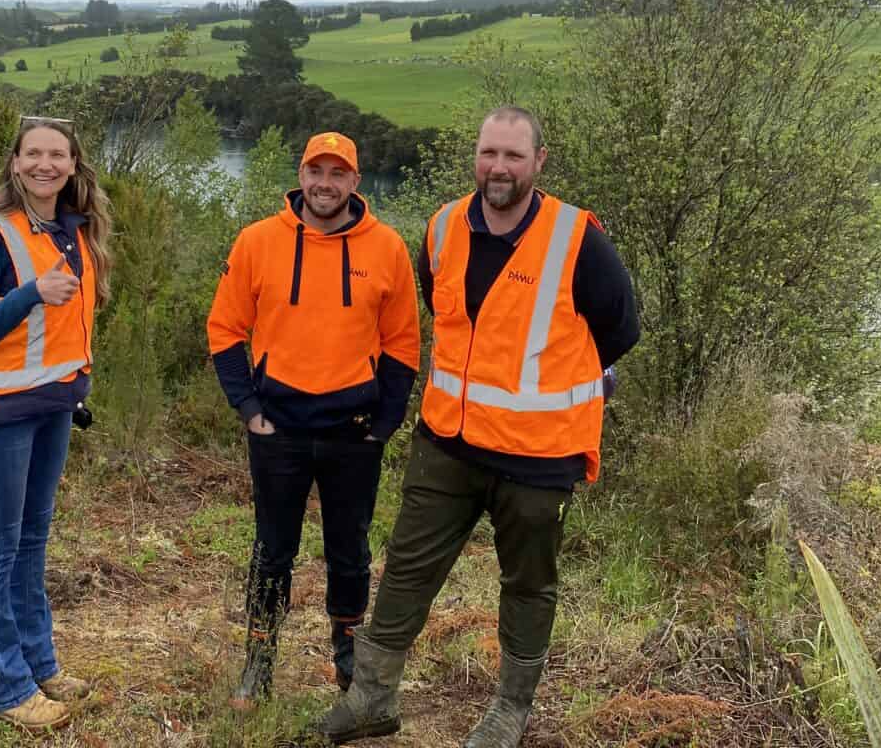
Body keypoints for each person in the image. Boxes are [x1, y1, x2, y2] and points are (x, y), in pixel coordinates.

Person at [318, 106, 639, 747]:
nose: (499, 167)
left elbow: (620, 330)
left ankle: (510, 710)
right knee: (407, 567)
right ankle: (372, 699)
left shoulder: (578, 240)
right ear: (477, 155)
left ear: (539, 163)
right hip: (449, 443)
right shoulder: (442, 227)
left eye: (514, 156)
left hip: (538, 457)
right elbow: (444, 308)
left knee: (527, 582)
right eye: (489, 153)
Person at [207, 131, 421, 709]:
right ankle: (259, 660)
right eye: (315, 171)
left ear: (355, 181)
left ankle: (348, 658)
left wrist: (387, 420)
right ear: (300, 175)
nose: (325, 184)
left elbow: (404, 342)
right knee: (272, 549)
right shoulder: (258, 241)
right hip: (278, 427)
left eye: (338, 173)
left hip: (354, 429)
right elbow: (225, 328)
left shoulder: (388, 248)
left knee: (349, 548)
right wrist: (249, 409)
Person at [0, 116, 113, 730]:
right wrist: (30, 295)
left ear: (73, 165)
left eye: (58, 155)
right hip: (1, 413)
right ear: (15, 163)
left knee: (32, 542)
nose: (46, 164)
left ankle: (38, 664)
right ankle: (3, 687)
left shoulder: (74, 229)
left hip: (54, 405)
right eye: (34, 154)